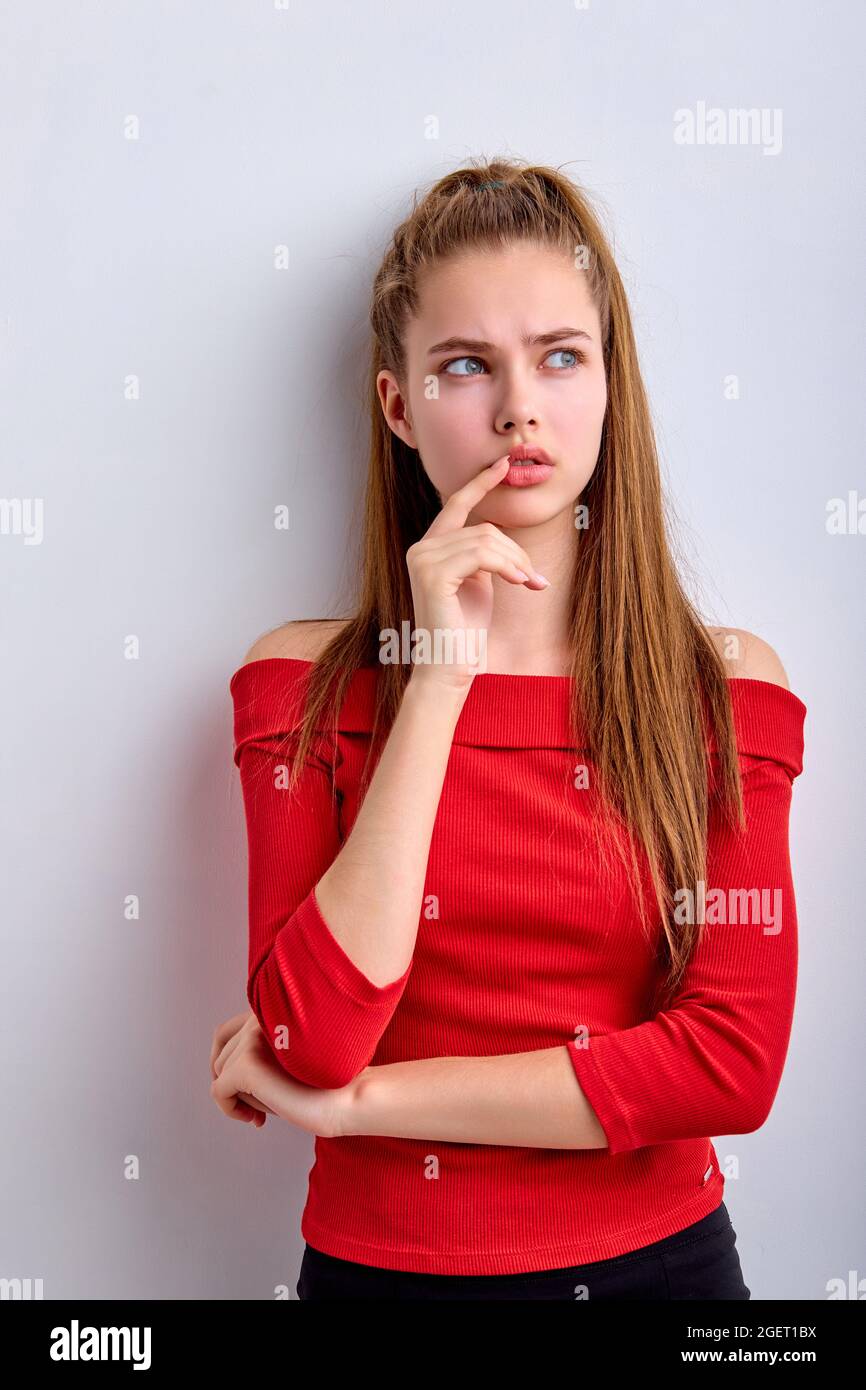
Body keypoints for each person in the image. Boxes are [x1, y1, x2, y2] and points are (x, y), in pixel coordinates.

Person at [210, 157, 806, 1301]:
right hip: (382, 1274)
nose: (518, 407)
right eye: (466, 365)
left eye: (559, 356)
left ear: (607, 383)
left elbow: (727, 1064)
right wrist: (434, 680)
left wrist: (364, 1106)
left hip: (660, 1275)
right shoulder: (300, 684)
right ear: (398, 403)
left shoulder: (721, 690)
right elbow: (313, 1036)